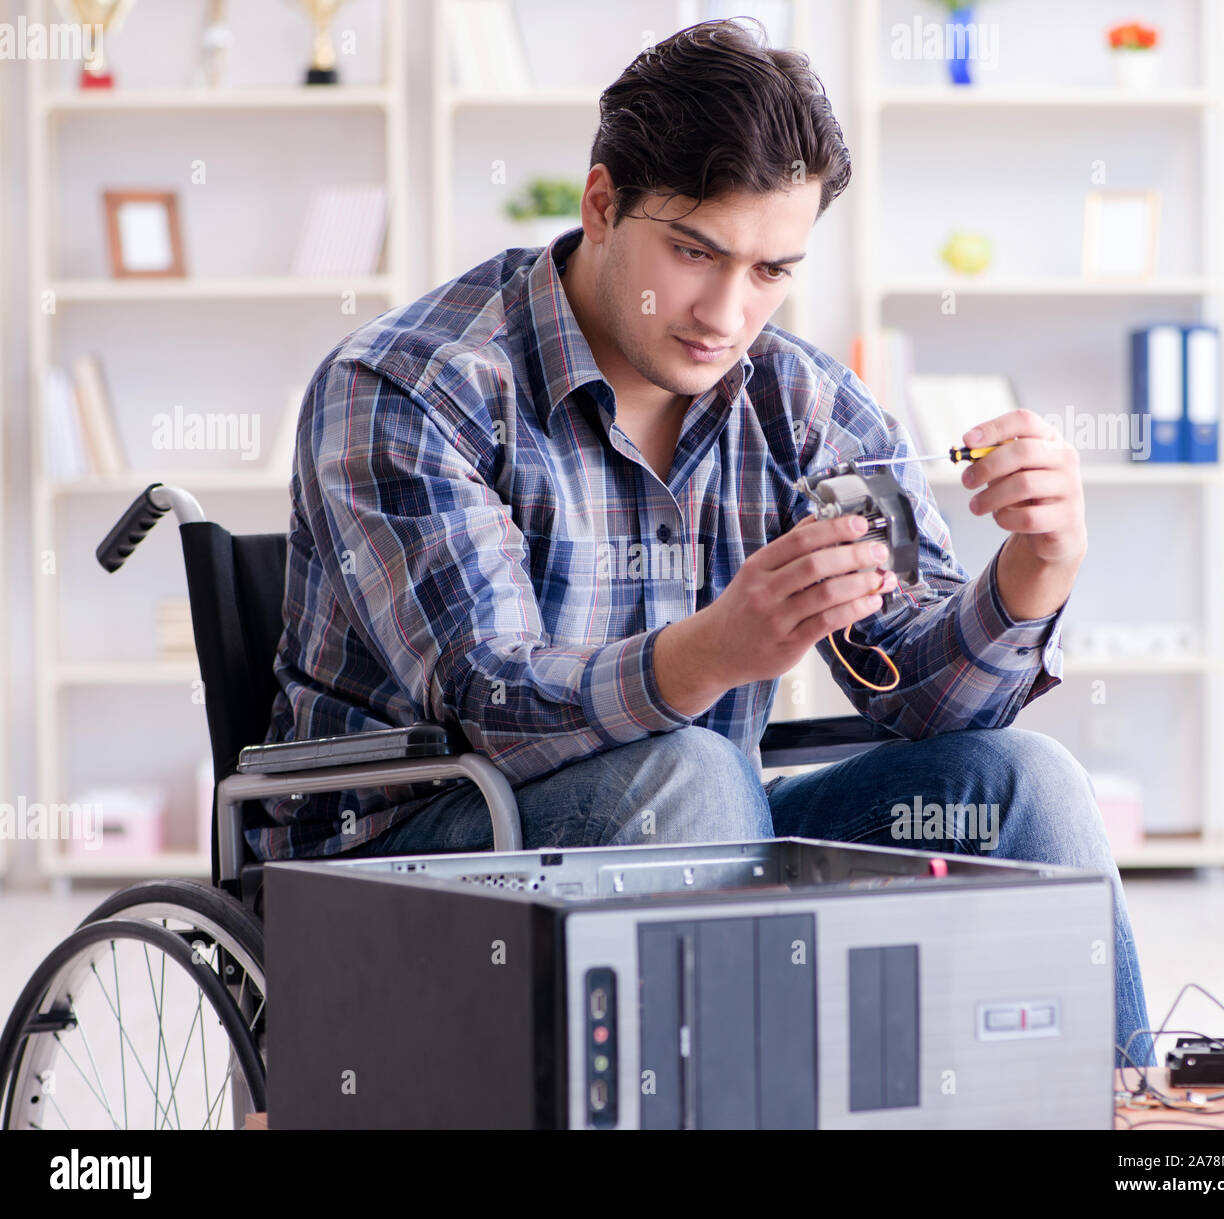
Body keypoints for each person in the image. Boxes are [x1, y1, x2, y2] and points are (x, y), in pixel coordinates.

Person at [252, 19, 1154, 1068]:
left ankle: (1132, 1133)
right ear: (601, 204)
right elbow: (488, 708)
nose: (728, 313)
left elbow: (914, 694)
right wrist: (716, 651)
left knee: (1019, 780)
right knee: (694, 775)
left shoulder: (801, 402)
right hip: (404, 866)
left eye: (771, 269)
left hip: (689, 844)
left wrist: (1033, 572)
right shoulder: (413, 388)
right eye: (694, 253)